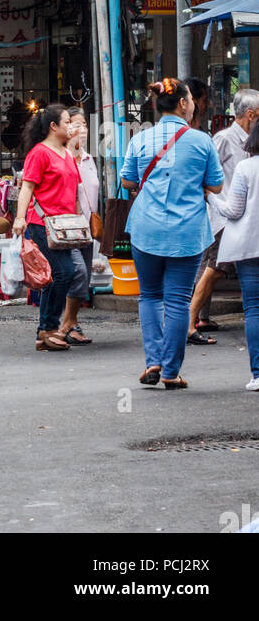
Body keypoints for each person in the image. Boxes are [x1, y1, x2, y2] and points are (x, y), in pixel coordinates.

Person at [121, 78, 223, 390]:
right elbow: (216, 185)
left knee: (150, 296)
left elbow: (127, 181)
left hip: (145, 228)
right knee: (178, 301)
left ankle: (153, 360)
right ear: (182, 104)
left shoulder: (140, 140)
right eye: (191, 99)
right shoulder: (202, 141)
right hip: (187, 231)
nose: (193, 104)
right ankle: (169, 371)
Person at [187, 88, 259, 344]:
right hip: (226, 218)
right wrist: (210, 197)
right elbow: (205, 171)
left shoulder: (251, 139)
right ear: (251, 114)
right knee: (213, 269)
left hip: (243, 220)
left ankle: (195, 318)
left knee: (213, 269)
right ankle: (189, 320)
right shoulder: (225, 139)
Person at [13, 104, 79, 351]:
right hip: (42, 223)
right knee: (63, 272)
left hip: (66, 226)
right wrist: (20, 218)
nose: (71, 126)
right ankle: (48, 327)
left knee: (59, 275)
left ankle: (45, 331)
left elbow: (73, 191)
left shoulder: (67, 152)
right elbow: (27, 187)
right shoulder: (39, 153)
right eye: (67, 122)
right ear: (53, 126)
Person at [209, 119, 259, 390]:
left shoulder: (245, 168)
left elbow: (234, 211)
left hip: (250, 249)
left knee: (254, 309)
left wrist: (211, 198)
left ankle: (258, 373)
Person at [58, 107, 100, 347]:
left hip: (85, 228)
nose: (82, 129)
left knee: (84, 278)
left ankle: (70, 324)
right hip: (65, 227)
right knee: (77, 273)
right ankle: (65, 324)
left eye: (85, 124)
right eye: (77, 124)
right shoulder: (60, 157)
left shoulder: (88, 158)